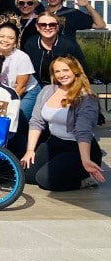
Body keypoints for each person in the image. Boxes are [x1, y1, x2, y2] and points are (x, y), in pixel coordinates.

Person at [22, 55, 105, 191]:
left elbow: (83, 131)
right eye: (57, 71)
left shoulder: (86, 98)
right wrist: (30, 150)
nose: (61, 75)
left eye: (66, 70)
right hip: (55, 143)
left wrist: (85, 159)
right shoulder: (47, 91)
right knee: (26, 174)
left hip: (79, 149)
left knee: (45, 179)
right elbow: (36, 121)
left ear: (75, 71)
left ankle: (84, 181)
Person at [21, 13, 87, 90]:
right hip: (36, 88)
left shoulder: (69, 46)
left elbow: (81, 70)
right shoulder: (30, 45)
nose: (47, 28)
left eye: (52, 25)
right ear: (37, 27)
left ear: (58, 27)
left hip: (65, 86)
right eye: (43, 25)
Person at [41, 0, 107, 43]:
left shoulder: (72, 13)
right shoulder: (39, 13)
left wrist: (87, 5)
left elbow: (101, 25)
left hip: (66, 54)